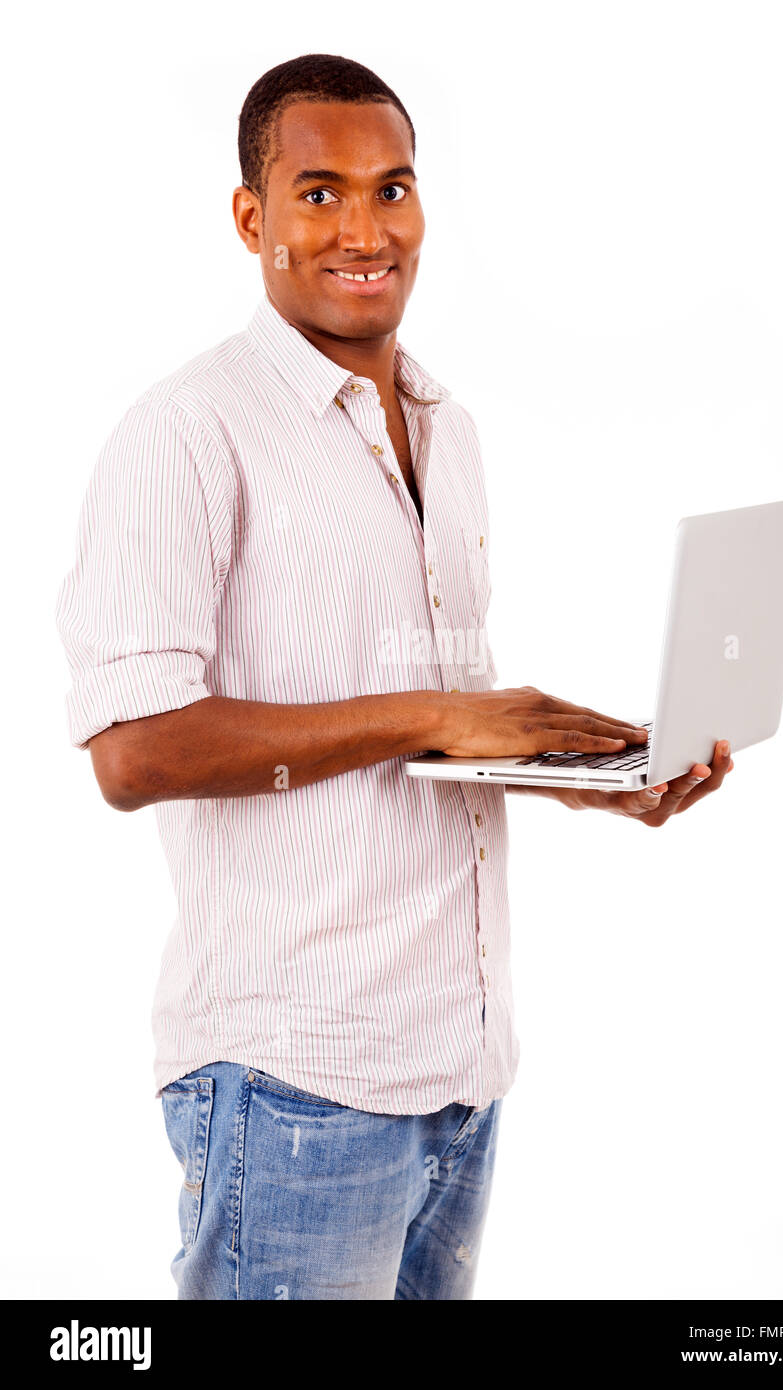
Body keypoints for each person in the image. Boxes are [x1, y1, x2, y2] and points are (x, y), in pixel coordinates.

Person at [55, 53, 733, 1301]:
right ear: (252, 217)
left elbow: (407, 744)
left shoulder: (446, 424)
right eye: (319, 194)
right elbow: (133, 752)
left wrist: (576, 773)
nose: (364, 230)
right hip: (292, 1079)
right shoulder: (187, 431)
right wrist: (433, 710)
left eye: (392, 188)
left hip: (458, 1070)